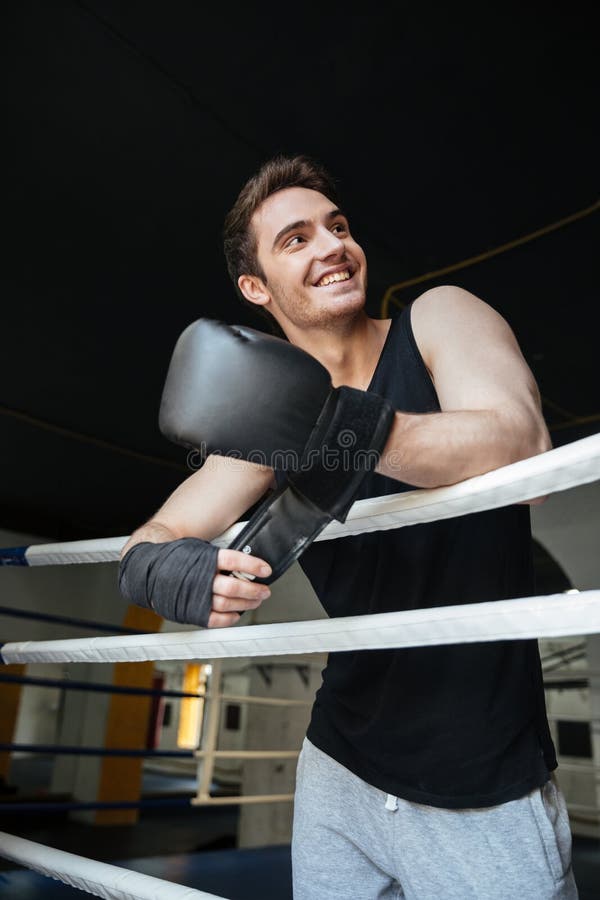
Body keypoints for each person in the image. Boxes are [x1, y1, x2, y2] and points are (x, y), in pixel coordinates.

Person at [119, 154, 578, 898]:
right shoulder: (274, 420)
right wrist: (175, 574)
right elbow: (153, 539)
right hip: (340, 764)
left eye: (337, 227)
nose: (333, 245)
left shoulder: (437, 319)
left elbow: (519, 445)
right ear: (255, 287)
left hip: (482, 773)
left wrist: (336, 424)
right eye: (296, 239)